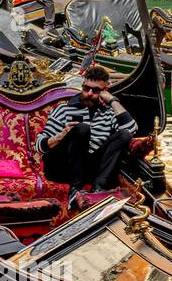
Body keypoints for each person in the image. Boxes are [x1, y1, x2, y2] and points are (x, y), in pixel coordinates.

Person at [36, 64, 137, 194]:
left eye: (95, 91)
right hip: (62, 167)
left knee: (124, 135)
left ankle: (99, 187)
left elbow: (131, 130)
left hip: (91, 169)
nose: (89, 94)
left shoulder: (109, 113)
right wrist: (61, 136)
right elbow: (39, 145)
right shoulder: (64, 109)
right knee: (82, 129)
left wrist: (112, 100)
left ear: (104, 91)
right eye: (86, 88)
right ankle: (75, 190)